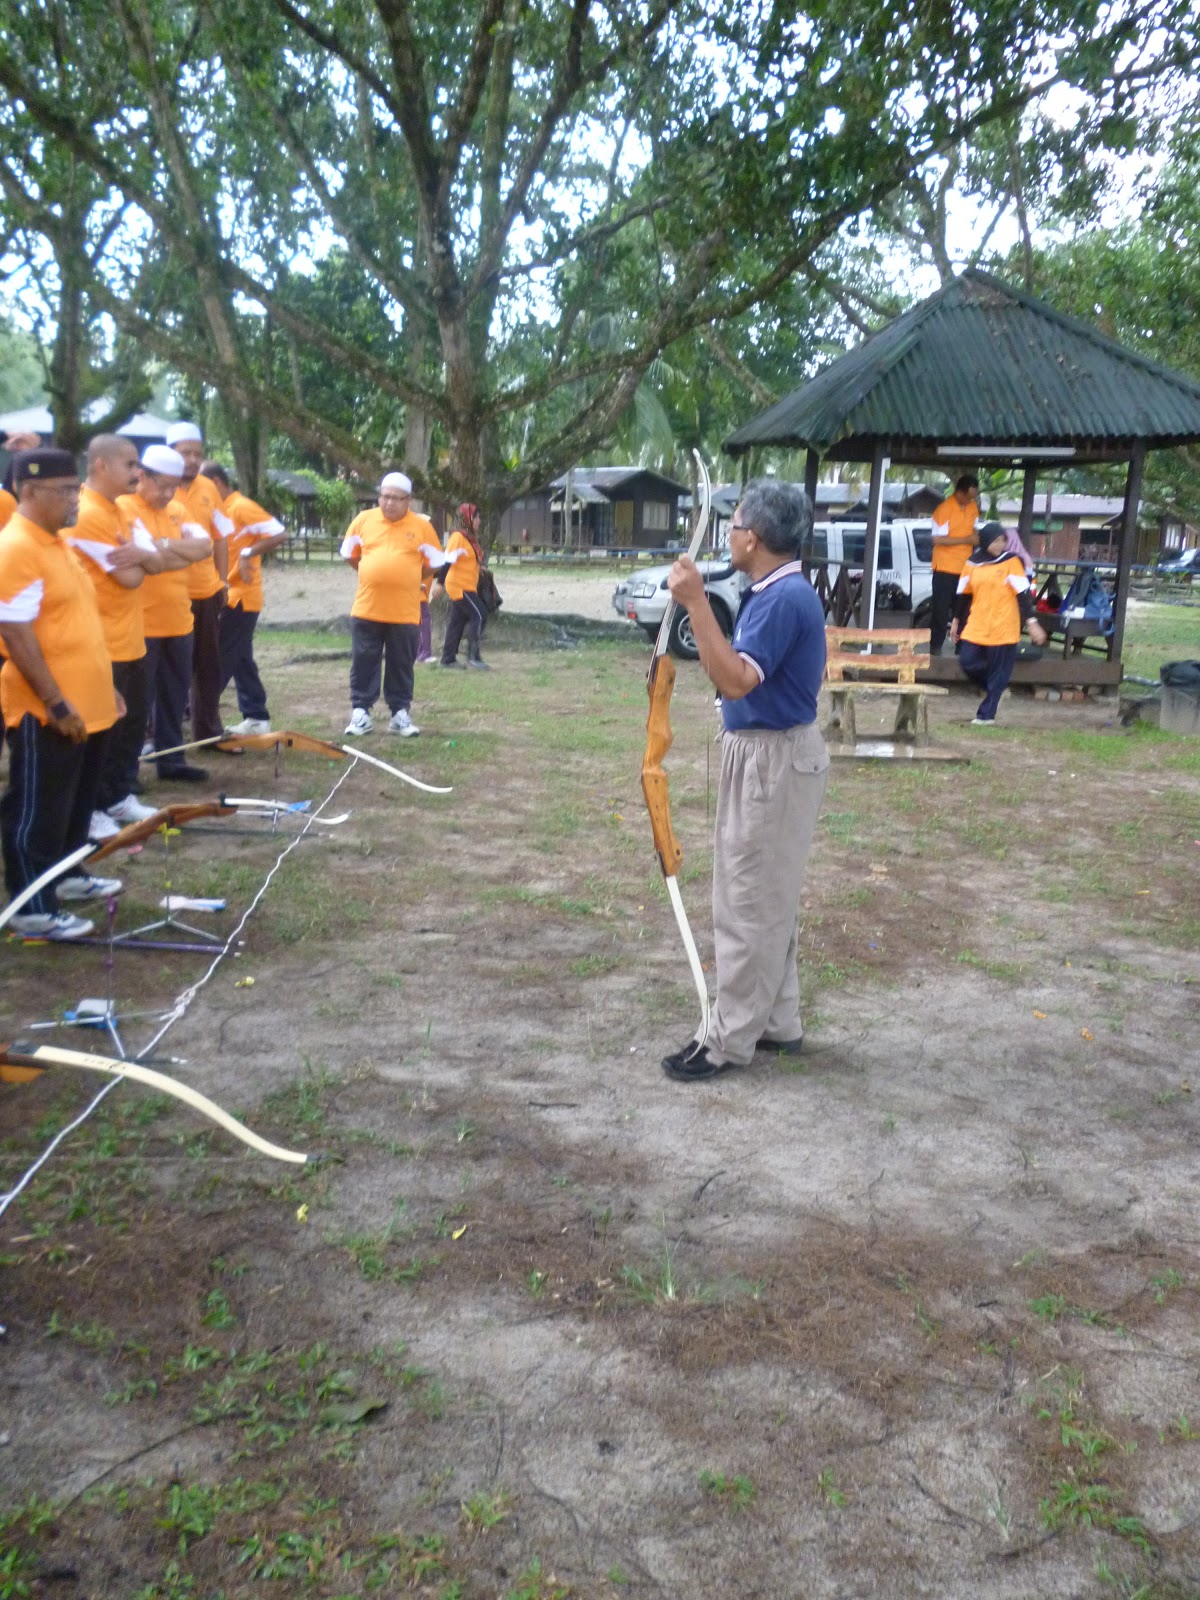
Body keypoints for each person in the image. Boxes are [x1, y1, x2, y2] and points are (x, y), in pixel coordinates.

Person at [659, 479, 830, 1082]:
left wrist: (696, 605)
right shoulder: (776, 591)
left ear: (751, 537)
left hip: (772, 760)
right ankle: (778, 1023)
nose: (728, 535)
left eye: (732, 526)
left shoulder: (783, 599)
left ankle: (727, 1040)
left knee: (749, 901)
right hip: (767, 754)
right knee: (766, 895)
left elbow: (735, 680)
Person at [0, 447, 122, 940]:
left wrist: (105, 688)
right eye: (65, 490)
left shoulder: (57, 542)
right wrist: (56, 702)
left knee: (75, 804)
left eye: (76, 487)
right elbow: (16, 632)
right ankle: (32, 904)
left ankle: (68, 877)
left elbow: (78, 623)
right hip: (46, 710)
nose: (76, 497)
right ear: (29, 492)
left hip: (87, 705)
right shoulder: (17, 547)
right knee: (39, 808)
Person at [67, 434, 165, 840]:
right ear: (100, 466)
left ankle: (118, 795)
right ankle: (90, 808)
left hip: (132, 637)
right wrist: (143, 558)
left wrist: (143, 556)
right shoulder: (87, 513)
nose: (137, 473)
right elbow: (128, 577)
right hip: (100, 640)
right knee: (100, 731)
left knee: (131, 724)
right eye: (130, 465)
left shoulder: (122, 509)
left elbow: (156, 559)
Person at [120, 445, 213, 780]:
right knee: (135, 704)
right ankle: (124, 772)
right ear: (142, 476)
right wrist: (169, 554)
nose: (169, 493)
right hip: (141, 623)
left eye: (174, 486)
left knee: (174, 697)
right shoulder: (124, 508)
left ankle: (171, 761)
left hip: (179, 620)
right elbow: (151, 564)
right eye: (162, 485)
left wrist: (161, 546)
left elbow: (205, 547)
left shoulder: (177, 509)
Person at [339, 471, 435, 737]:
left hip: (405, 611)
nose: (388, 502)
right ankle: (361, 713)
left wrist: (408, 577)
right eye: (384, 496)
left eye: (395, 498)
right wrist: (373, 573)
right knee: (364, 660)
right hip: (368, 607)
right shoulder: (362, 521)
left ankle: (399, 714)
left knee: (401, 663)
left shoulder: (422, 527)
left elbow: (433, 563)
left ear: (409, 501)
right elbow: (350, 555)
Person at [203, 460, 288, 735]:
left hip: (241, 598)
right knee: (240, 657)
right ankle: (256, 716)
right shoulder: (216, 510)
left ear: (216, 482)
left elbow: (278, 532)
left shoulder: (240, 506)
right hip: (224, 594)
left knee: (221, 657)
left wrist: (247, 554)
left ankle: (201, 714)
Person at [166, 422, 232, 744]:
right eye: (185, 452)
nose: (192, 459)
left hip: (206, 591)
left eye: (197, 453)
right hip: (169, 594)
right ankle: (161, 736)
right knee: (171, 666)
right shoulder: (157, 487)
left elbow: (221, 538)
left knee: (208, 665)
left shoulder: (209, 488)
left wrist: (222, 581)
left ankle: (208, 732)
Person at [950, 521, 1049, 726]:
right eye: (995, 541)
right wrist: (956, 621)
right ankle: (997, 689)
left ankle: (986, 715)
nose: (999, 545)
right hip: (977, 623)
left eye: (1002, 541)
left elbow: (1023, 594)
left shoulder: (1012, 561)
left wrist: (1032, 623)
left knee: (998, 671)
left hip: (1004, 624)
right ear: (985, 541)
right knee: (967, 661)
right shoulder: (972, 563)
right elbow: (962, 594)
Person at [432, 502, 489, 670]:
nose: (479, 520)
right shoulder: (458, 537)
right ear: (467, 518)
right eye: (476, 517)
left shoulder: (469, 538)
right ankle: (473, 656)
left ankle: (447, 659)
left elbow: (465, 560)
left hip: (467, 585)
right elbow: (447, 561)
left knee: (456, 622)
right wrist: (440, 584)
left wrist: (480, 568)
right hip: (459, 586)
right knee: (479, 614)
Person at [929, 474, 980, 654]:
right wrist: (966, 539)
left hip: (965, 569)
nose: (970, 500)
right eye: (968, 496)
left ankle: (962, 648)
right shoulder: (944, 509)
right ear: (959, 492)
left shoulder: (973, 507)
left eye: (973, 497)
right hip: (944, 568)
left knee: (964, 611)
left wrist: (975, 539)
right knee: (941, 611)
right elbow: (937, 539)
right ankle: (935, 648)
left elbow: (974, 531)